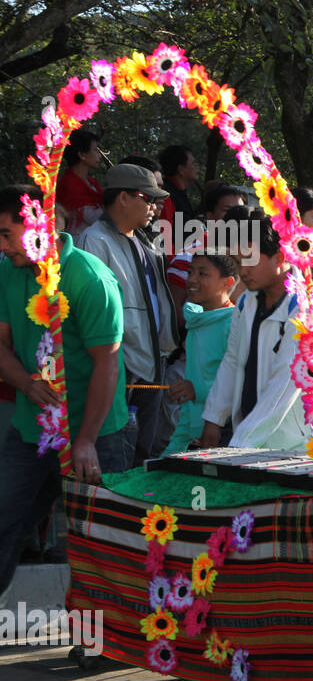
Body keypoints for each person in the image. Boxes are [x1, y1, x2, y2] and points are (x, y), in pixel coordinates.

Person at [0, 184, 132, 601]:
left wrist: (87, 439)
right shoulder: (7, 272)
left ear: (39, 225)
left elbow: (106, 363)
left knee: (98, 539)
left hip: (97, 433)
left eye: (6, 234)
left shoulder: (90, 277)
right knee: (5, 520)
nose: (1, 246)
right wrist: (25, 382)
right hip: (30, 430)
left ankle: (102, 639)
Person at [199, 207, 313, 450]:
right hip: (250, 437)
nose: (242, 271)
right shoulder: (247, 301)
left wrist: (238, 444)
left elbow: (286, 384)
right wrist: (214, 419)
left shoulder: (308, 308)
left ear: (279, 258)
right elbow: (233, 360)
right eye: (238, 262)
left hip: (301, 445)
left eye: (250, 260)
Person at [77, 163, 180, 464]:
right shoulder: (94, 241)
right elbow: (95, 316)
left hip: (150, 362)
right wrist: (118, 366)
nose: (154, 206)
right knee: (117, 457)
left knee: (141, 455)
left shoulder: (142, 240)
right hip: (122, 370)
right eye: (147, 198)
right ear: (123, 198)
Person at [162, 250, 236, 454]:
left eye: (203, 274)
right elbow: (190, 393)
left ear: (227, 283)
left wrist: (198, 390)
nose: (192, 280)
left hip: (228, 434)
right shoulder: (196, 322)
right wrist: (173, 450)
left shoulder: (234, 324)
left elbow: (241, 382)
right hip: (200, 437)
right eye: (191, 272)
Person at [166, 183, 246, 322]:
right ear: (209, 216)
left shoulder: (252, 255)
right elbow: (174, 308)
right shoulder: (190, 254)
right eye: (227, 210)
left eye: (241, 210)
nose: (235, 217)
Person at [56, 129, 104, 238]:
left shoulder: (92, 184)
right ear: (82, 155)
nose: (99, 156)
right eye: (95, 150)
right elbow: (95, 218)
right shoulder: (69, 185)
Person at [158, 145, 199, 240]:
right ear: (181, 169)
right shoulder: (166, 196)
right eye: (193, 164)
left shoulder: (179, 193)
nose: (196, 168)